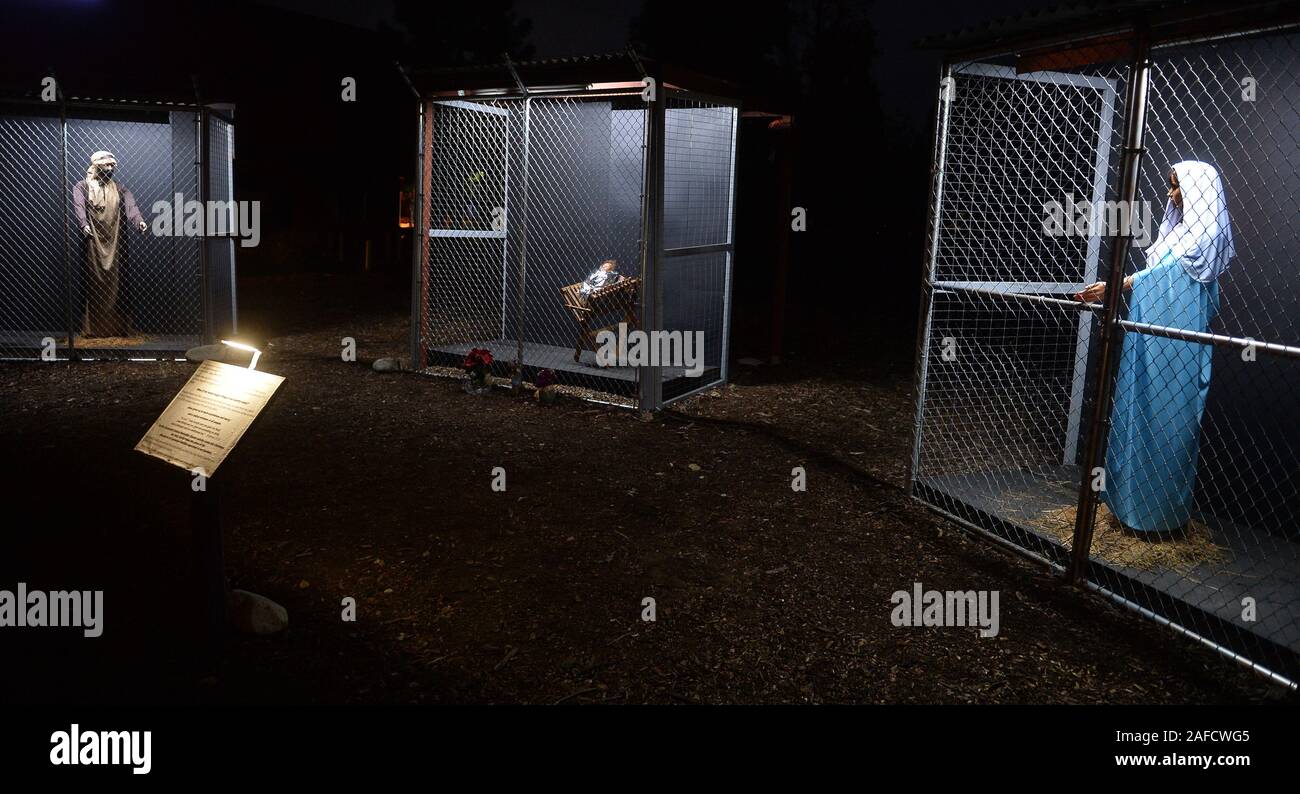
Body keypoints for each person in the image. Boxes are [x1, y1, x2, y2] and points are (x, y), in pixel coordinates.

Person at [1075, 161, 1236, 535]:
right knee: (1134, 407)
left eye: (1176, 186)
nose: (1170, 194)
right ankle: (1125, 505)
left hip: (1174, 346)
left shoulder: (1204, 238)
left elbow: (1167, 276)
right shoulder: (1176, 233)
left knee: (1168, 419)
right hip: (1146, 339)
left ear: (1198, 192)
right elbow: (1160, 271)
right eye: (1170, 185)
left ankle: (1156, 515)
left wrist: (1118, 284)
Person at [72, 150, 148, 337]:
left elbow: (131, 207)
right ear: (96, 165)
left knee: (118, 282)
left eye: (113, 165)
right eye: (107, 165)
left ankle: (117, 329)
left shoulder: (120, 188)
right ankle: (93, 329)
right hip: (93, 241)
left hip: (115, 241)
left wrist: (138, 221)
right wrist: (83, 224)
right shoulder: (82, 187)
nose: (111, 168)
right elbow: (79, 207)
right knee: (93, 281)